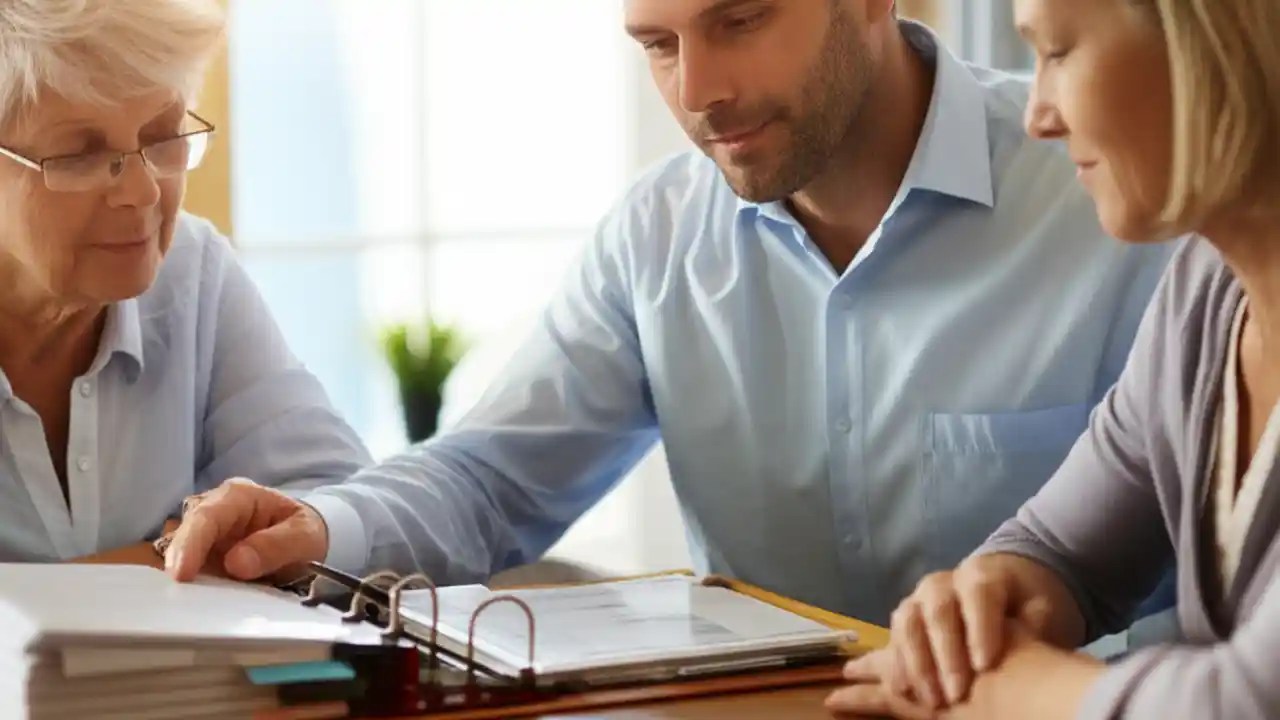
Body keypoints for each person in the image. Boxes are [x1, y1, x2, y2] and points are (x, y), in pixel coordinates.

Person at [164, 0, 1171, 627]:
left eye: (738, 21)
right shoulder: (656, 236)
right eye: (656, 43)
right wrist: (317, 525)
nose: (698, 93)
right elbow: (487, 478)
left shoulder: (1112, 196)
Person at [826, 0, 1280, 717]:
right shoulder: (1205, 287)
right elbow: (1063, 549)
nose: (1039, 116)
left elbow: (1248, 701)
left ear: (1208, 41)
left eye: (1059, 53)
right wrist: (980, 608)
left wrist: (1004, 691)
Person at [0, 0, 370, 562]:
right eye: (82, 153)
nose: (143, 193)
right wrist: (168, 556)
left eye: (163, 136)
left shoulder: (193, 271)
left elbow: (329, 507)